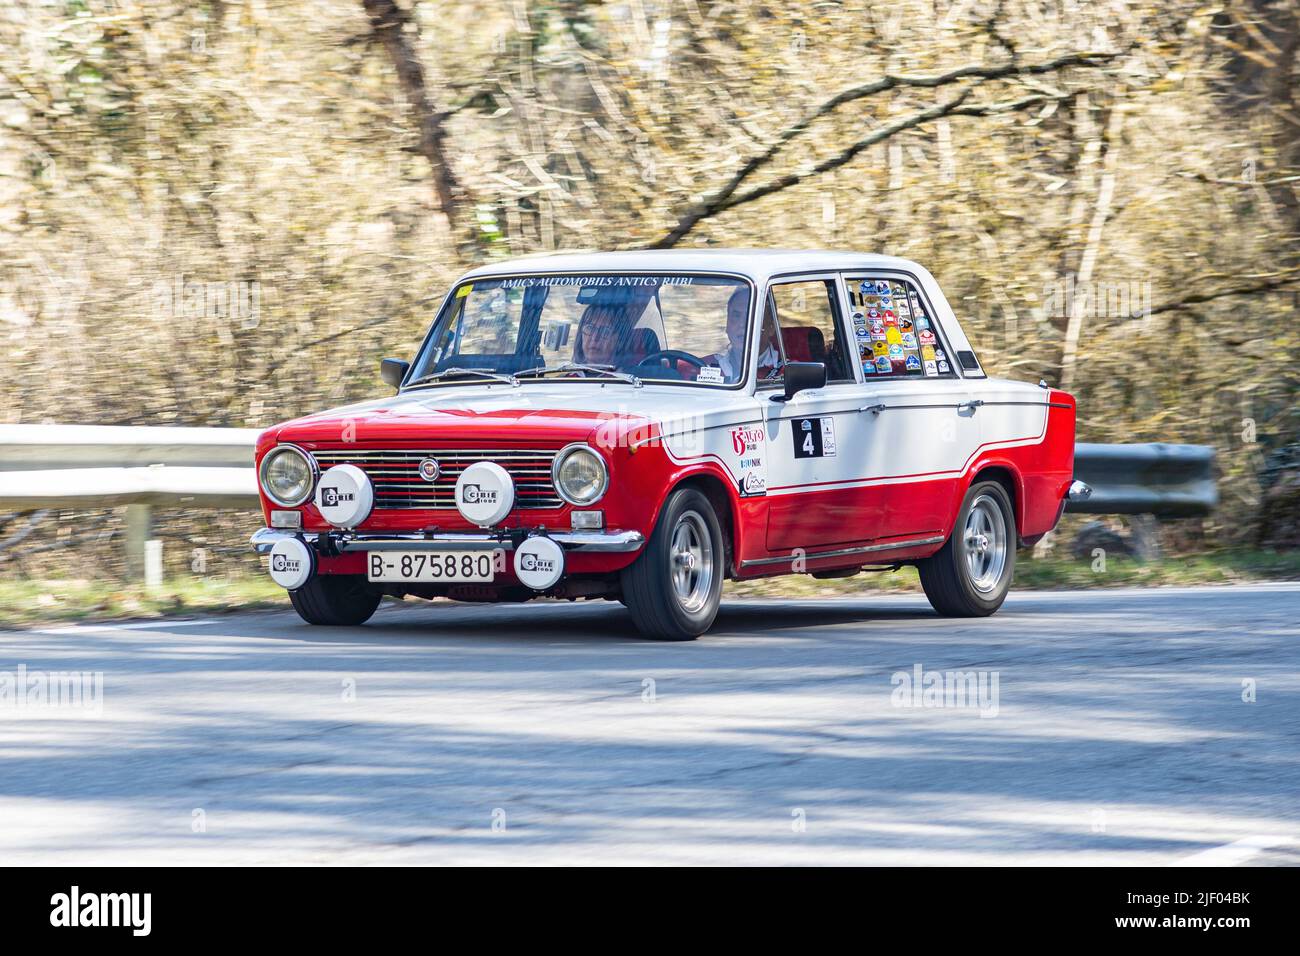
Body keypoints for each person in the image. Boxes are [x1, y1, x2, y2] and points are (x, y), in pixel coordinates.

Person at [703, 288, 777, 382]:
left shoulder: (786, 371)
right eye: (736, 316)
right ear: (727, 325)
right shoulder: (705, 366)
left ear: (771, 327)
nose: (742, 324)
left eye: (752, 316)